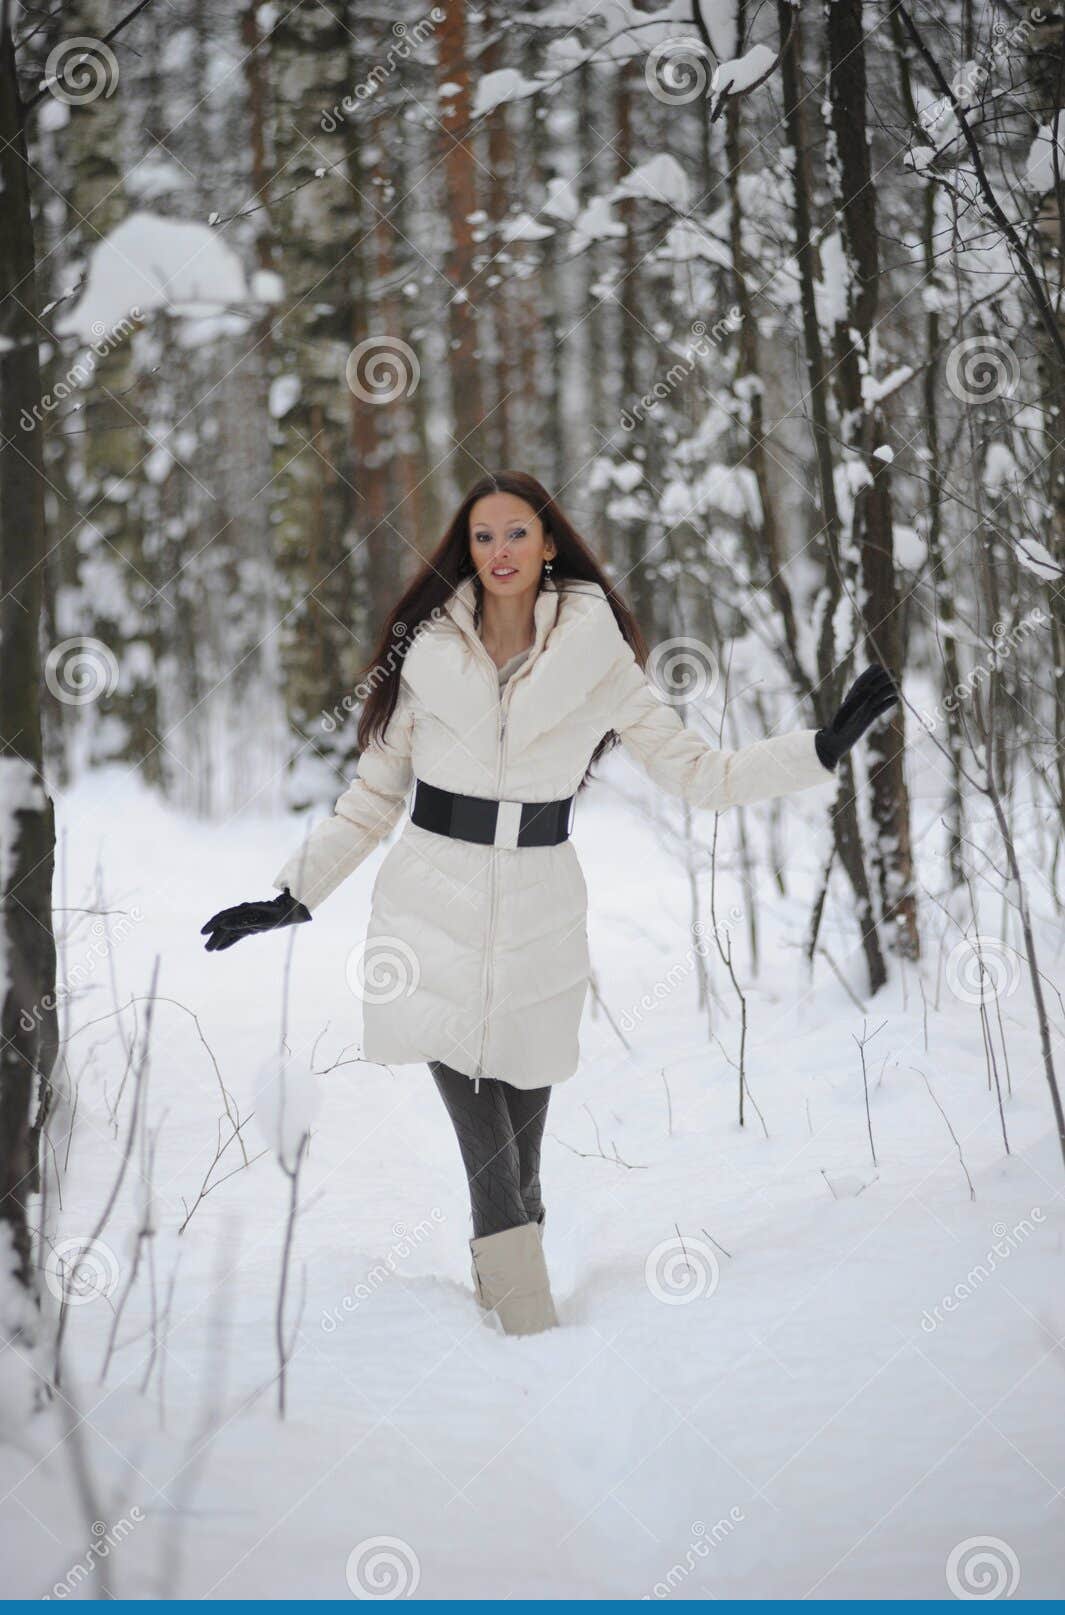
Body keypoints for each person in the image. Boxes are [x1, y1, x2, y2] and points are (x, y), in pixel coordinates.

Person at [201, 471, 898, 1337]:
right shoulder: (426, 653)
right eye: (483, 536)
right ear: (466, 550)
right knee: (492, 1157)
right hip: (429, 914)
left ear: (548, 545)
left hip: (539, 919)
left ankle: (499, 1322)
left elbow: (700, 774)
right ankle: (528, 1331)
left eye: (516, 534)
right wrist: (292, 894)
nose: (499, 551)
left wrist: (818, 749)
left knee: (522, 1167)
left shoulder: (596, 659)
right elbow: (371, 800)